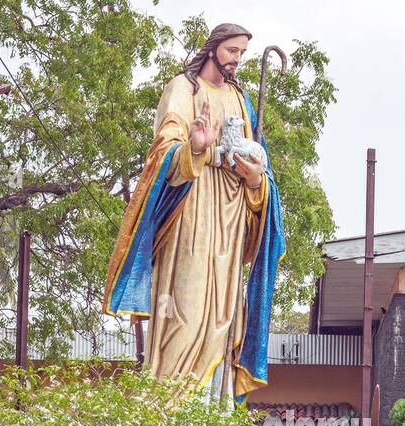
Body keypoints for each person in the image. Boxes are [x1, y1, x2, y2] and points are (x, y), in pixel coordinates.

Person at [104, 22, 285, 397]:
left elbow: (261, 166)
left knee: (225, 316)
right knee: (184, 313)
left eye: (242, 54)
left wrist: (255, 180)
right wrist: (197, 147)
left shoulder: (241, 100)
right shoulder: (183, 89)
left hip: (231, 218)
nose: (237, 60)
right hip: (192, 213)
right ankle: (170, 413)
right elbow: (163, 154)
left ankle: (211, 423)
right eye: (232, 51)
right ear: (213, 48)